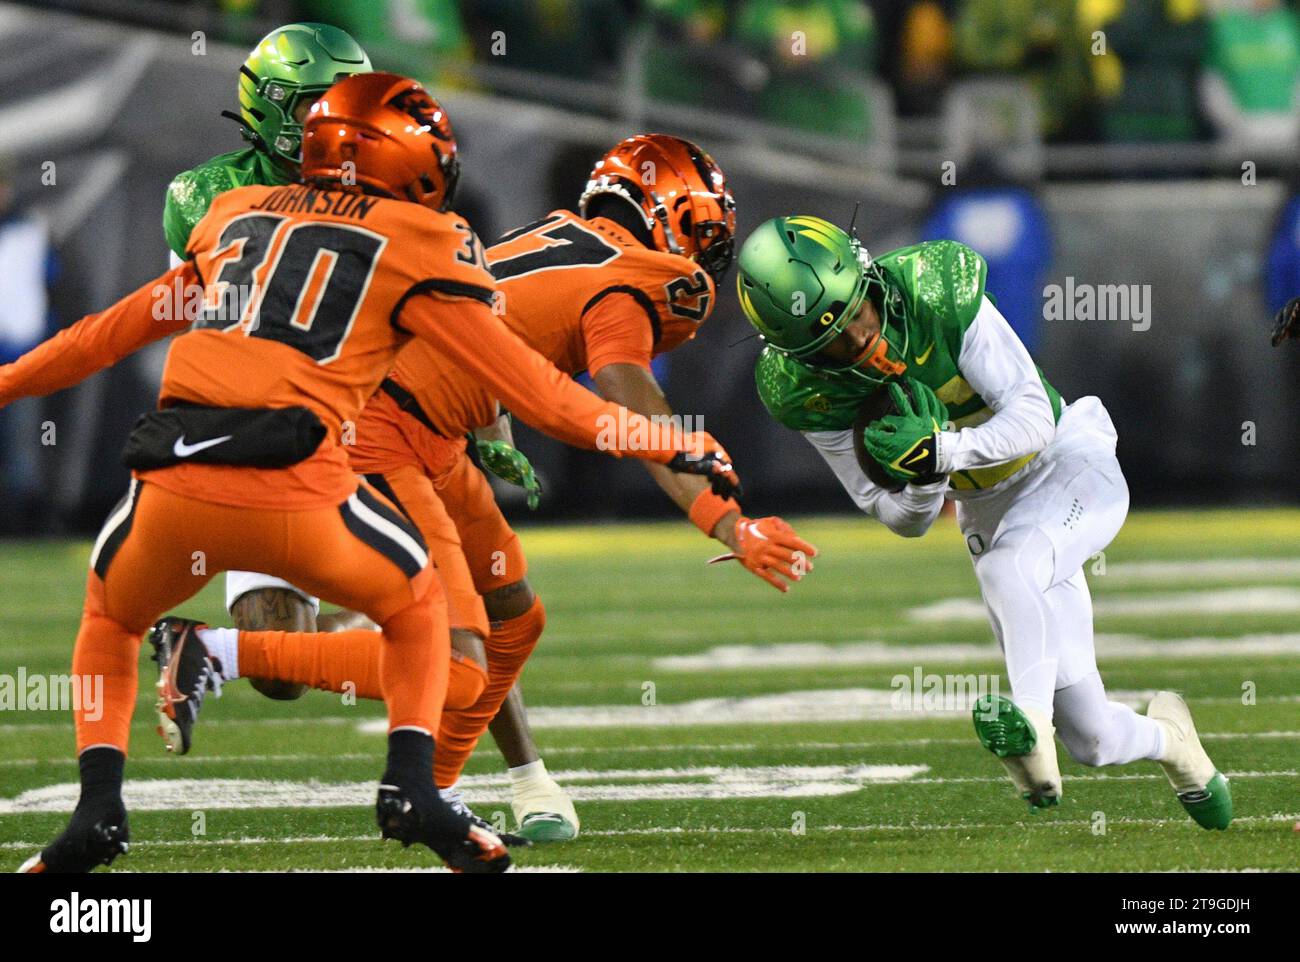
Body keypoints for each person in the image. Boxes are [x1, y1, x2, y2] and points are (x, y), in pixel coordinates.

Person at [2, 71, 737, 873]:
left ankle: (99, 808)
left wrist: (5, 383)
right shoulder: (417, 236)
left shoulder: (230, 212)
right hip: (321, 457)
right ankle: (398, 780)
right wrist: (676, 455)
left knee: (110, 619)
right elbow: (542, 392)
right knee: (431, 632)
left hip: (180, 463)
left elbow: (106, 334)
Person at [150, 134, 816, 843]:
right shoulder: (633, 279)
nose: (708, 253)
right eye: (707, 231)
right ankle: (213, 651)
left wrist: (492, 433)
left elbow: (480, 325)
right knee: (460, 666)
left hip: (418, 427)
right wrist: (722, 517)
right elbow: (631, 407)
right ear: (672, 215)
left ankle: (427, 790)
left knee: (514, 615)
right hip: (375, 428)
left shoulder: (562, 234)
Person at [734, 214, 1232, 830]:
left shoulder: (932, 286)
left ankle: (1028, 730)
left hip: (1066, 463)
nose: (858, 339)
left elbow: (1031, 415)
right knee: (1095, 739)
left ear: (869, 279)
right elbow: (894, 514)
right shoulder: (801, 389)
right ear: (800, 353)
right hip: (989, 508)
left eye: (856, 310)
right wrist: (923, 480)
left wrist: (943, 450)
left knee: (1009, 566)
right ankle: (1174, 744)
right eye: (829, 341)